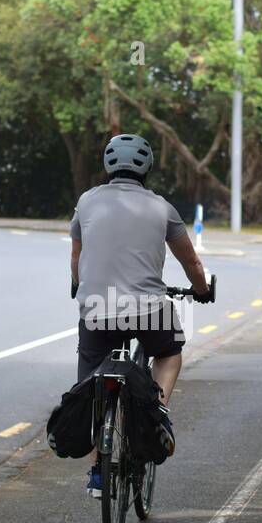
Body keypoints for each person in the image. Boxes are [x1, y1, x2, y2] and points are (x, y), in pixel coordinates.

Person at [70, 133, 210, 498]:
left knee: (92, 388)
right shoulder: (162, 208)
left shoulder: (86, 202)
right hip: (149, 310)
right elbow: (191, 261)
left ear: (108, 165)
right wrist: (202, 290)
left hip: (97, 311)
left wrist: (78, 285)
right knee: (169, 352)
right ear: (147, 168)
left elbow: (77, 257)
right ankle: (155, 412)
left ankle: (98, 474)